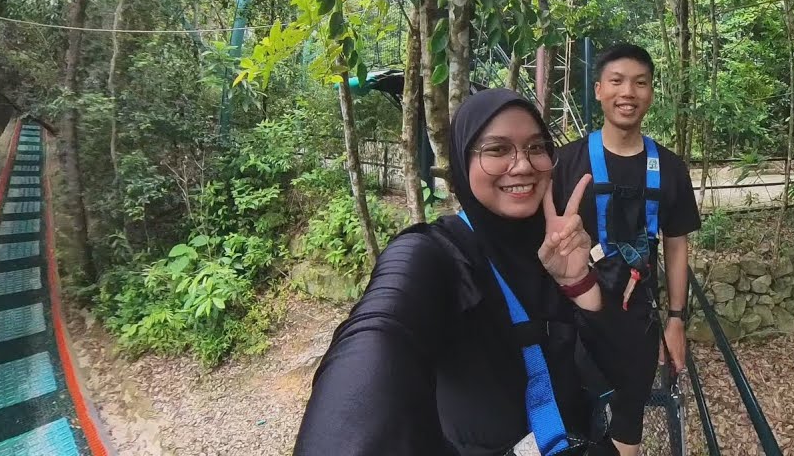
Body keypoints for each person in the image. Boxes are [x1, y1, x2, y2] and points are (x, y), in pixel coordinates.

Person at [293, 89, 619, 456]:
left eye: (536, 147)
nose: (523, 164)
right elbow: (379, 334)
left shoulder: (560, 242)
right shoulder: (434, 254)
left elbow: (617, 368)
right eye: (497, 149)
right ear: (463, 162)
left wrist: (578, 283)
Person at [552, 44, 701, 456]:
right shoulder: (566, 163)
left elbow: (675, 245)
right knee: (571, 424)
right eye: (616, 81)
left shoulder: (670, 169)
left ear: (652, 92)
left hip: (637, 323)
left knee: (626, 433)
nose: (628, 92)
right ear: (598, 89)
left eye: (640, 83)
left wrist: (676, 318)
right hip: (572, 321)